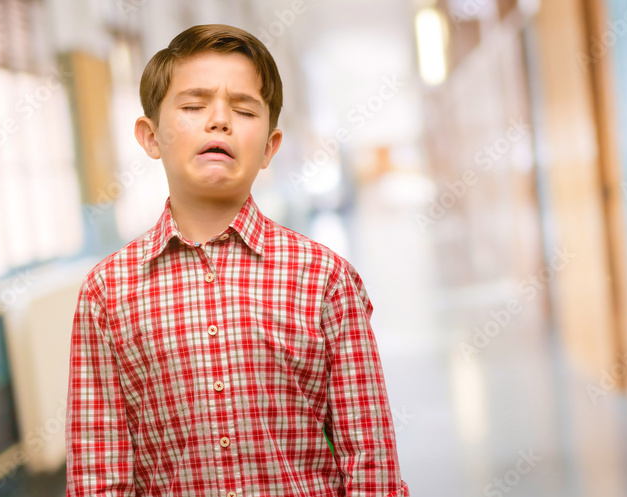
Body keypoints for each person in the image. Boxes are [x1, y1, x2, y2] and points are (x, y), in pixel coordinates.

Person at [65, 24, 408, 497]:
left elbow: (369, 461)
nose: (220, 120)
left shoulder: (325, 279)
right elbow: (98, 472)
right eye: (192, 106)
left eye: (244, 110)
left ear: (269, 147)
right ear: (150, 137)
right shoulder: (108, 292)